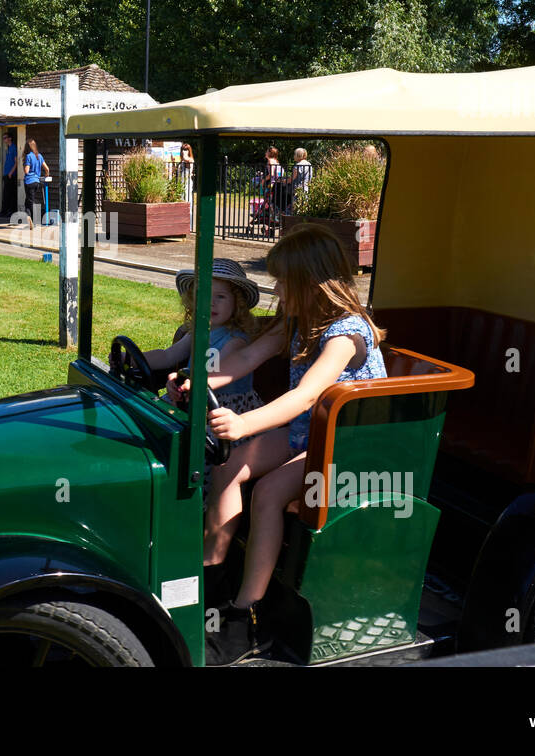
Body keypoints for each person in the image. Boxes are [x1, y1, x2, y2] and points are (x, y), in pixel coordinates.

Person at [171, 223, 387, 665]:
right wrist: (197, 384)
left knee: (268, 494)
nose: (278, 290)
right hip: (306, 434)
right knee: (229, 469)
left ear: (313, 283)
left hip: (346, 446)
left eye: (285, 282)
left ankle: (245, 620)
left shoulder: (347, 333)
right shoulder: (297, 322)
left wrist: (243, 421)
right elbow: (247, 358)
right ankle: (212, 587)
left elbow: (305, 395)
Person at [143, 260, 263, 484]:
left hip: (221, 409)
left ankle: (200, 502)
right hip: (192, 397)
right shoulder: (198, 331)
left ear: (237, 304)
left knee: (198, 455)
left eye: (221, 297)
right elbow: (168, 355)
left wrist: (184, 380)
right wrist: (133, 357)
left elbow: (216, 373)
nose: (211, 303)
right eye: (204, 295)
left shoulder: (235, 340)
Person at [23, 139, 49, 226]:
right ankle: (28, 217)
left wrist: (25, 167)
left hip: (29, 181)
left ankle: (34, 220)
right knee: (28, 201)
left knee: (30, 201)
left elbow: (26, 171)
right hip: (37, 182)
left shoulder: (28, 156)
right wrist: (46, 175)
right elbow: (47, 169)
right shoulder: (39, 156)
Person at [287, 148, 313, 213]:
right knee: (303, 208)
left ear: (298, 155)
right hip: (306, 188)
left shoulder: (297, 166)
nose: (294, 156)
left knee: (295, 208)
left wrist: (284, 181)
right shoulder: (309, 164)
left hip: (297, 189)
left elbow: (292, 178)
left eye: (294, 154)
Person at [1, 134, 18, 219]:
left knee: (9, 194)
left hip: (10, 174)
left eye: (5, 138)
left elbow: (16, 162)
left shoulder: (13, 148)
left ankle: (9, 211)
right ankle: (5, 211)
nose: (4, 140)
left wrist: (11, 172)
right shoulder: (8, 148)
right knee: (6, 193)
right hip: (6, 173)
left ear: (10, 138)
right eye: (3, 138)